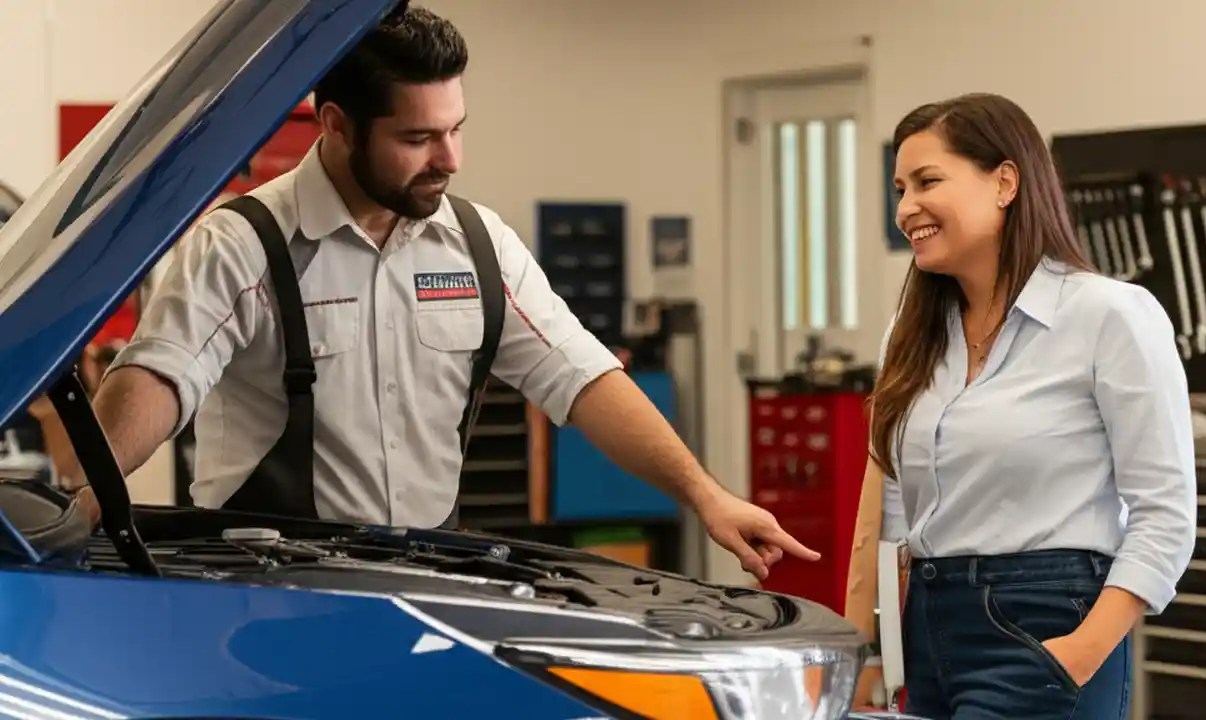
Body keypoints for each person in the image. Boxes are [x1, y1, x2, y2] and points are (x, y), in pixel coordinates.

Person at [69, 8, 819, 582]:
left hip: (430, 582)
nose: (450, 159)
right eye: (419, 138)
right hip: (272, 594)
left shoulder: (478, 244)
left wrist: (707, 496)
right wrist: (70, 518)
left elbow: (584, 378)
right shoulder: (241, 246)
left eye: (457, 129)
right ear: (335, 126)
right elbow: (157, 380)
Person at [845, 93, 1196, 718]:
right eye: (899, 189)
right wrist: (875, 653)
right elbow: (892, 513)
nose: (906, 208)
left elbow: (1165, 513)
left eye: (928, 181)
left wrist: (1080, 654)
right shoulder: (912, 332)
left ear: (1005, 182)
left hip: (1046, 625)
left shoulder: (1108, 315)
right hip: (928, 631)